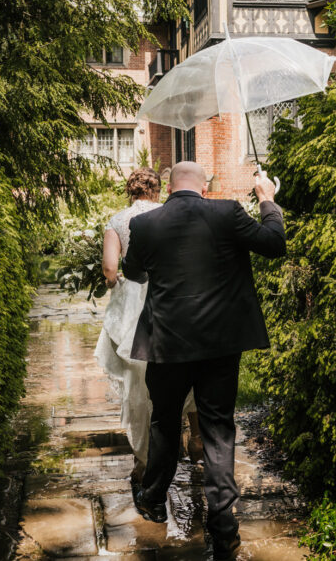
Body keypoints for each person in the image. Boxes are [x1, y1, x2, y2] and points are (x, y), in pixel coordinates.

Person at [122, 161, 285, 560]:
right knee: (217, 429)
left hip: (167, 345)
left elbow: (135, 274)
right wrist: (267, 200)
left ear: (169, 186)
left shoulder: (146, 225)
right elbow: (274, 244)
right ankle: (224, 523)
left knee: (164, 420)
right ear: (204, 184)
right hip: (219, 347)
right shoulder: (227, 212)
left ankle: (155, 498)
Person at [94, 167, 200, 492]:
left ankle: (144, 460)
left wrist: (114, 281)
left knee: (140, 381)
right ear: (158, 190)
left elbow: (111, 269)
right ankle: (196, 437)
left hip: (135, 307)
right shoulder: (171, 214)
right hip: (174, 299)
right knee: (188, 364)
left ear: (131, 190)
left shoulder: (118, 220)